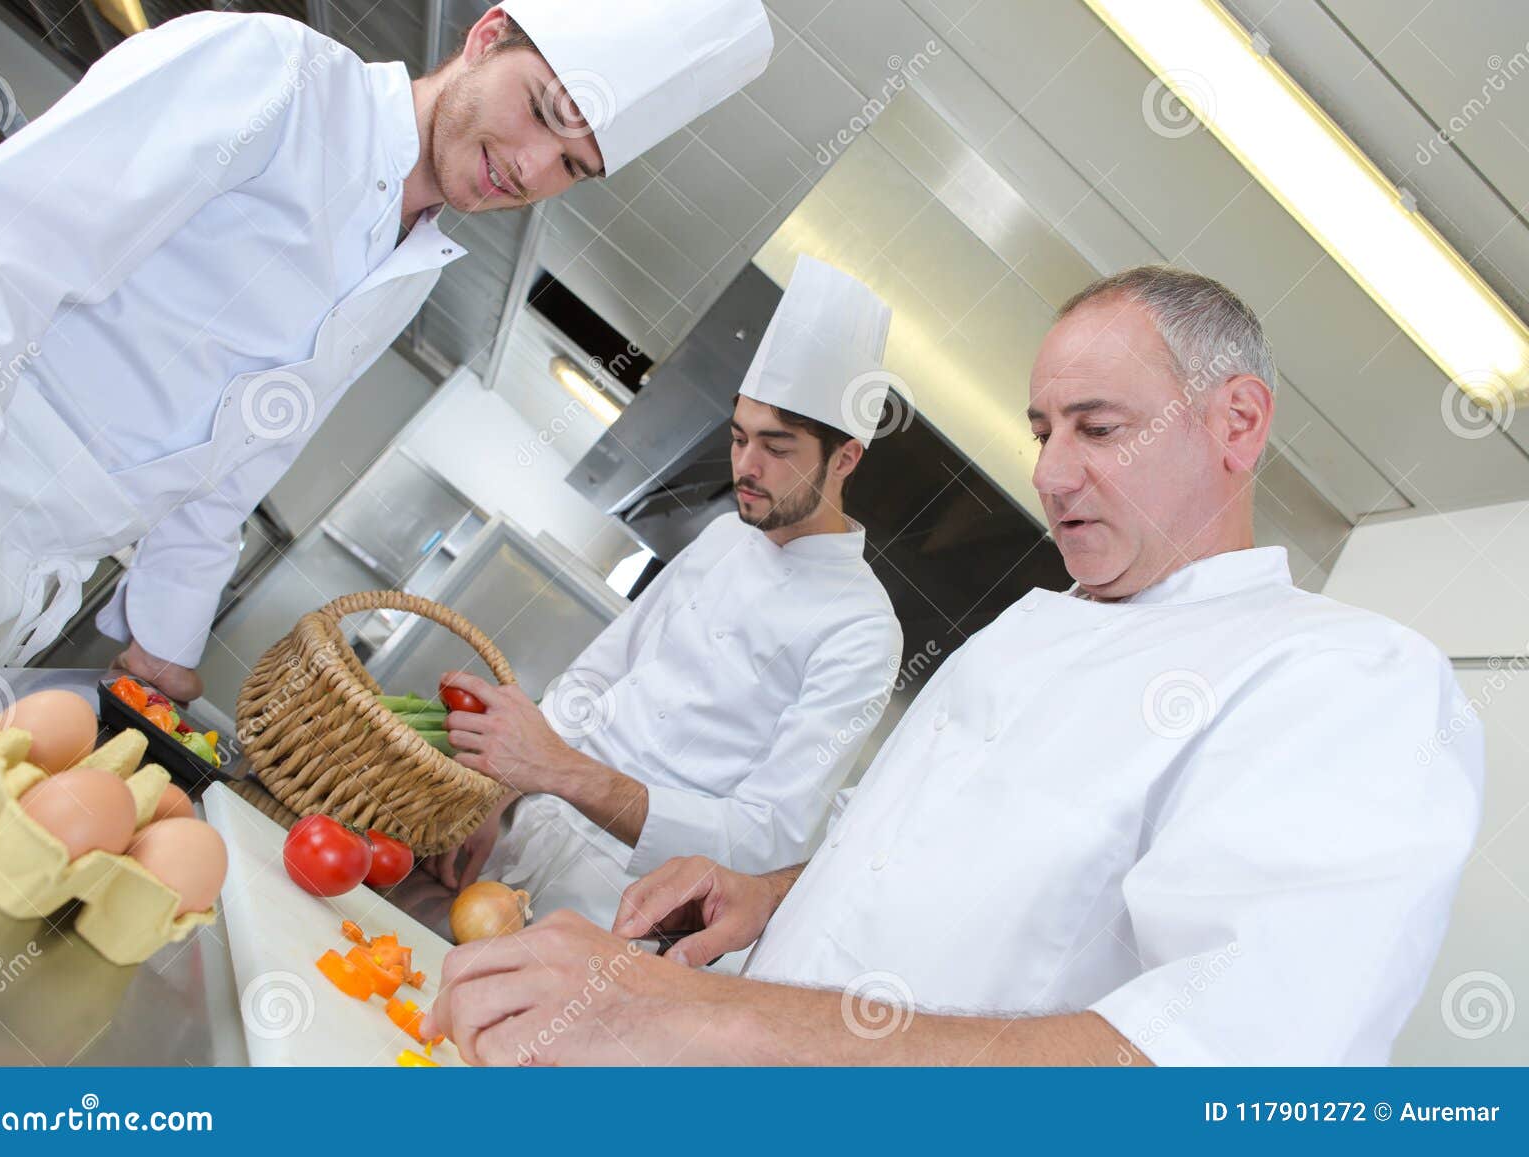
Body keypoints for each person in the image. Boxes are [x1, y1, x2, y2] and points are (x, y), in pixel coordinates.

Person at [423, 265, 1484, 1066]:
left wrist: (703, 1012)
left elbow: (1219, 1069)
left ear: (1236, 423)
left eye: (1098, 428)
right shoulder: (1032, 630)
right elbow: (937, 870)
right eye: (1040, 430)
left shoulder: (1344, 678)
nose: (1052, 471)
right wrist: (777, 893)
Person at [0, 0, 772, 705]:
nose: (529, 167)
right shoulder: (273, 78)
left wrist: (164, 645)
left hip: (14, 599)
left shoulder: (412, 270)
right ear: (486, 35)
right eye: (545, 113)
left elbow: (231, 471)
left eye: (572, 166)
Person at [430, 256, 904, 939]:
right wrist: (503, 785)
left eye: (777, 447)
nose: (746, 466)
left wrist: (558, 768)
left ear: (846, 458)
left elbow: (763, 837)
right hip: (526, 836)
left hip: (620, 904)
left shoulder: (863, 632)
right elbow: (599, 674)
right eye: (740, 437)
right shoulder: (720, 536)